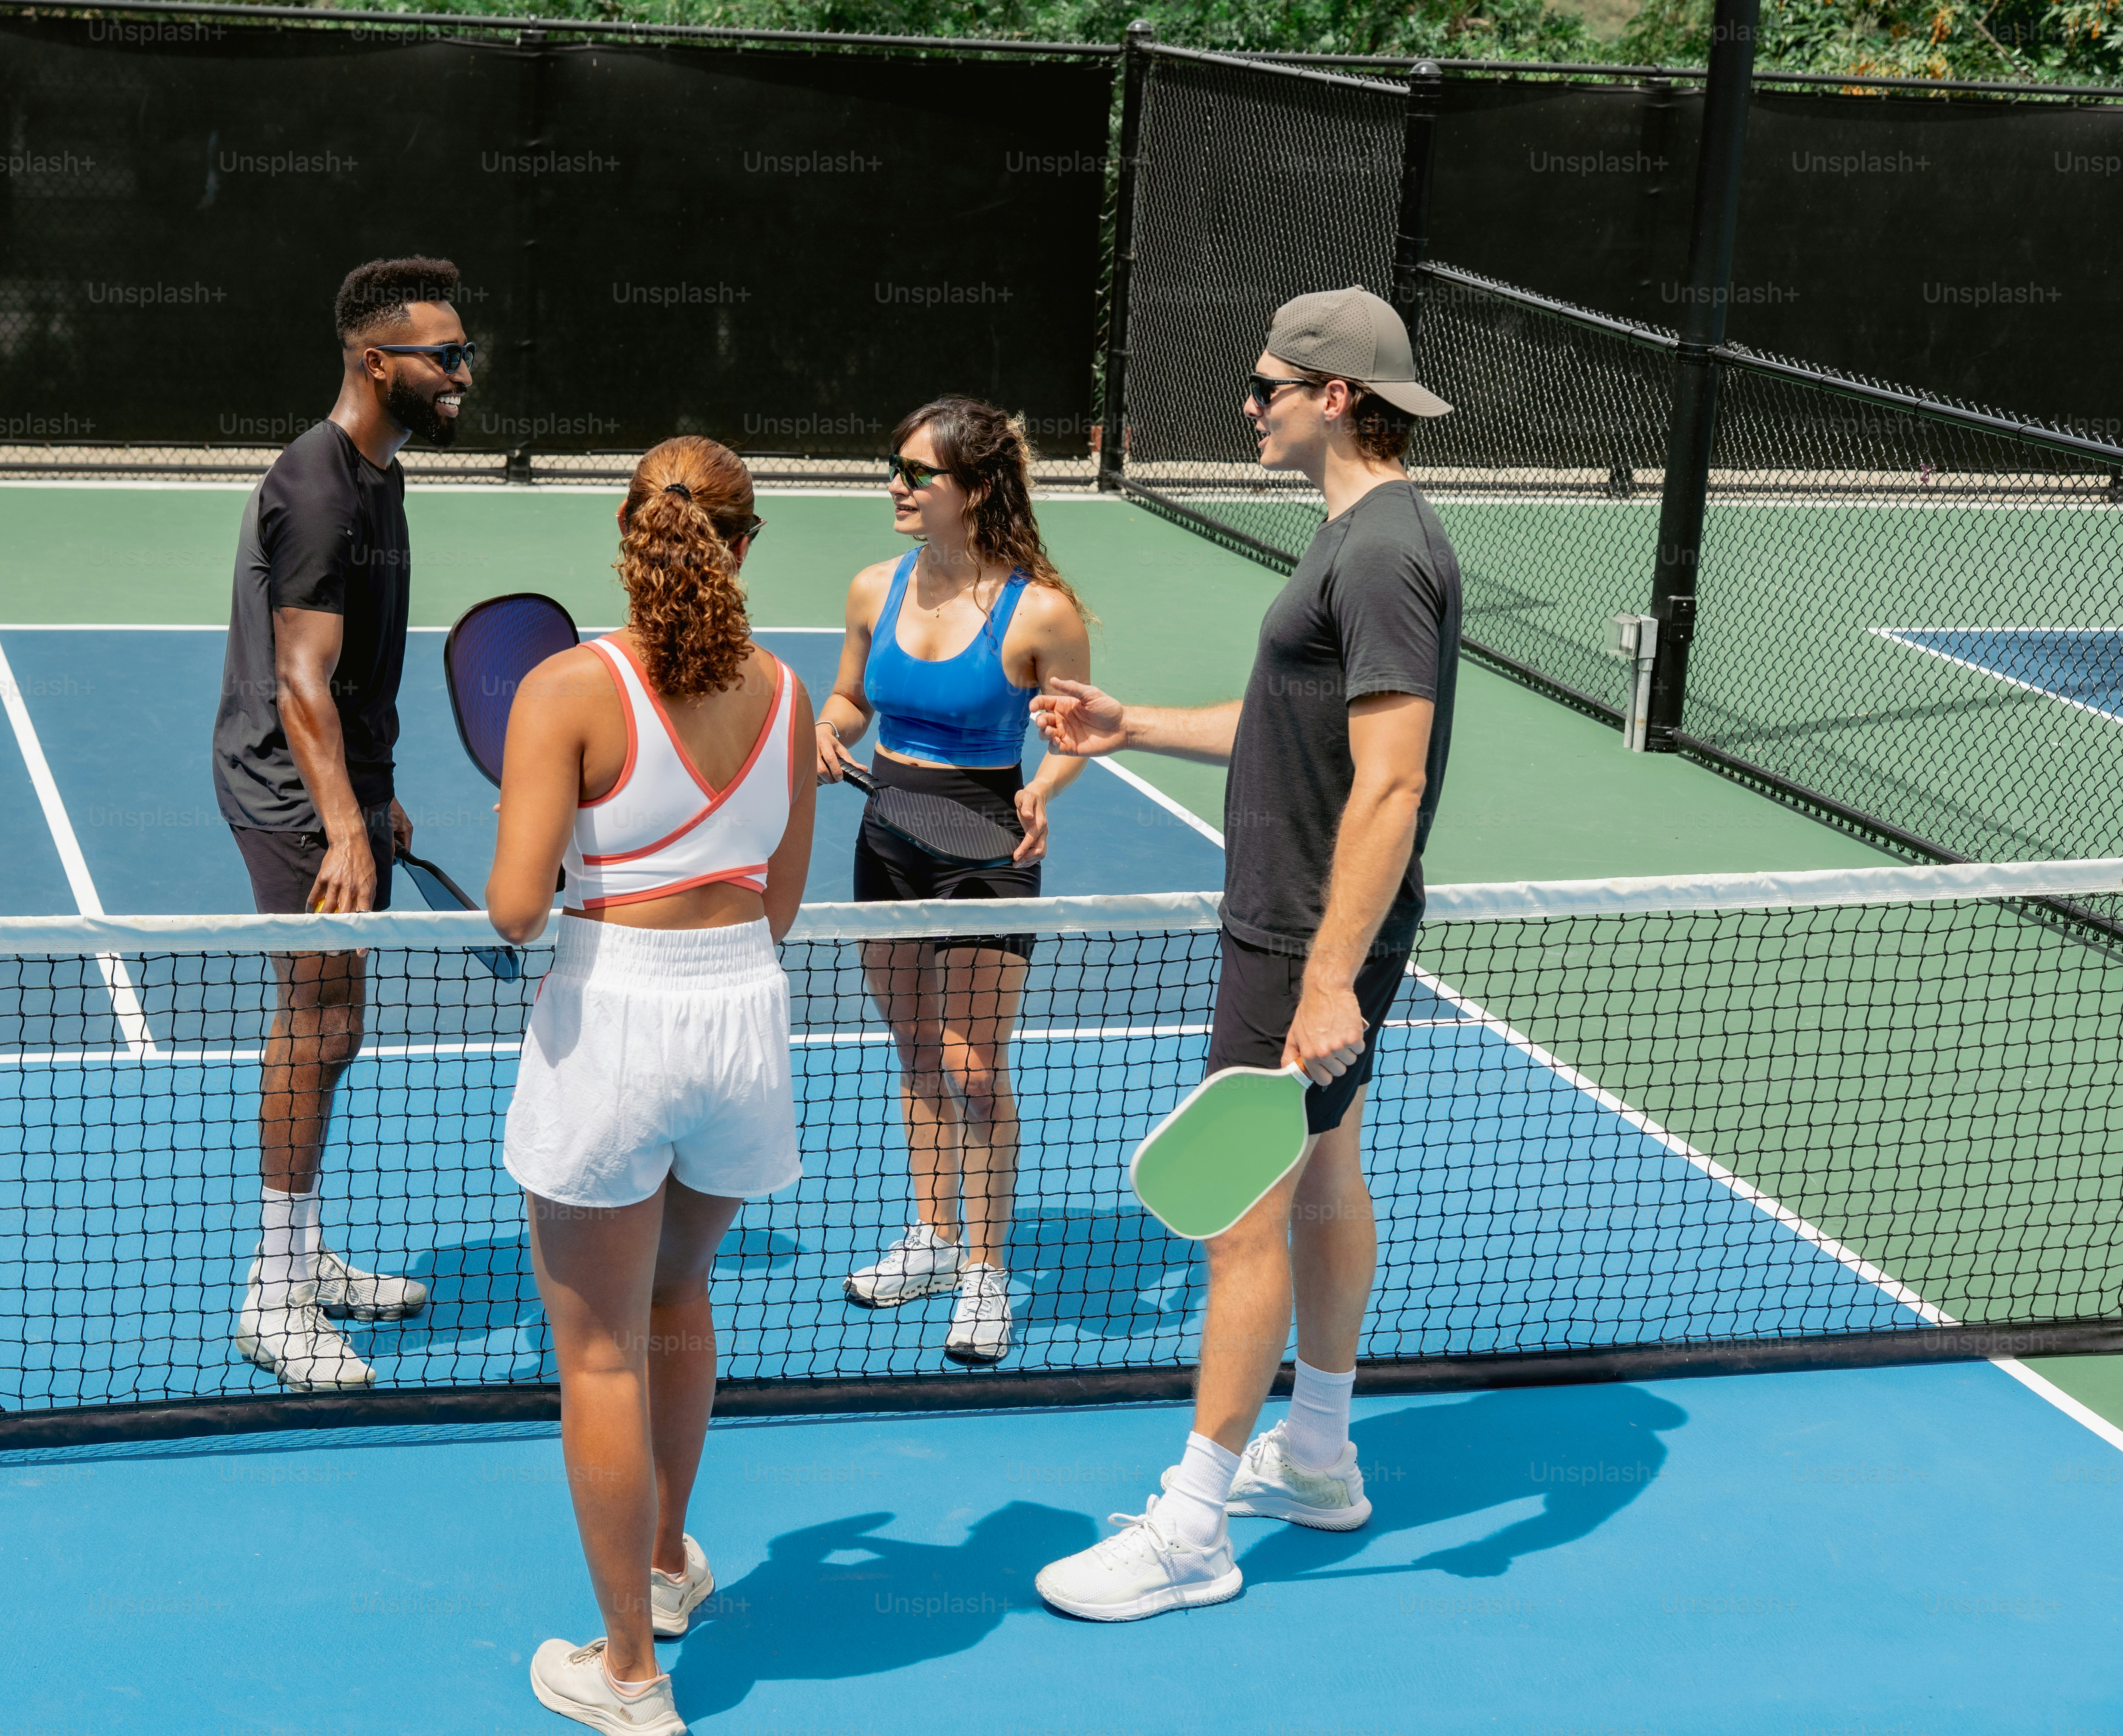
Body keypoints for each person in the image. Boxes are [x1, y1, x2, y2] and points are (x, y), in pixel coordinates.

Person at [1027, 287, 1460, 1619]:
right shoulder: (1357, 540)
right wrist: (1131, 724)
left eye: (1267, 385)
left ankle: (1194, 1528)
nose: (1251, 404)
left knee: (1236, 1213)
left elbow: (1390, 782)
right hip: (1309, 927)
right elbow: (1298, 732)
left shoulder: (1381, 552)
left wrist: (1326, 974)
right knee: (1326, 1176)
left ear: (1336, 398)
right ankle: (1319, 1459)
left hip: (1302, 936)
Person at [488, 437, 817, 1734]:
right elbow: (777, 903)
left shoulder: (569, 688)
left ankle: (628, 1676)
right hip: (744, 1016)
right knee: (680, 1293)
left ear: (630, 534)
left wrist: (558, 867)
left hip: (615, 1017)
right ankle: (669, 1566)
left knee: (599, 1358)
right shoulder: (787, 693)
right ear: (743, 543)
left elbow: (517, 909)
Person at [210, 254, 474, 1391]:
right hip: (289, 793)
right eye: (446, 357)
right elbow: (301, 685)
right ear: (379, 362)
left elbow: (357, 675)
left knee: (340, 1023)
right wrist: (346, 830)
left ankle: (304, 1253)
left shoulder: (383, 475)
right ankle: (272, 1295)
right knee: (313, 1020)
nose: (466, 372)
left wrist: (380, 790)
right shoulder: (319, 490)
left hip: (338, 785)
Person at [813, 398, 1091, 1365]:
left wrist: (1046, 789)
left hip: (986, 848)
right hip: (886, 836)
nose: (896, 484)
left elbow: (1072, 734)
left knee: (976, 1067)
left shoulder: (1042, 610)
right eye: (897, 467)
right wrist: (824, 729)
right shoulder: (870, 589)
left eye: (917, 473)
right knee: (917, 1050)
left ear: (972, 493)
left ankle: (985, 1270)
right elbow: (852, 699)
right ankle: (931, 1239)